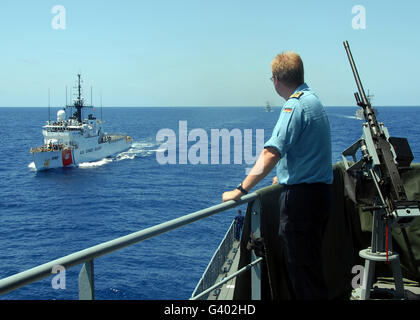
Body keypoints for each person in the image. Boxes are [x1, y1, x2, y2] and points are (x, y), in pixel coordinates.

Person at [222, 51, 333, 300]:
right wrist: (284, 174)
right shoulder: (313, 100)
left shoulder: (294, 105)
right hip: (320, 195)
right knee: (311, 269)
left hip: (301, 203)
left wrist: (241, 190)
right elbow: (309, 149)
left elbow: (271, 153)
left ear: (276, 79)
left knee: (301, 275)